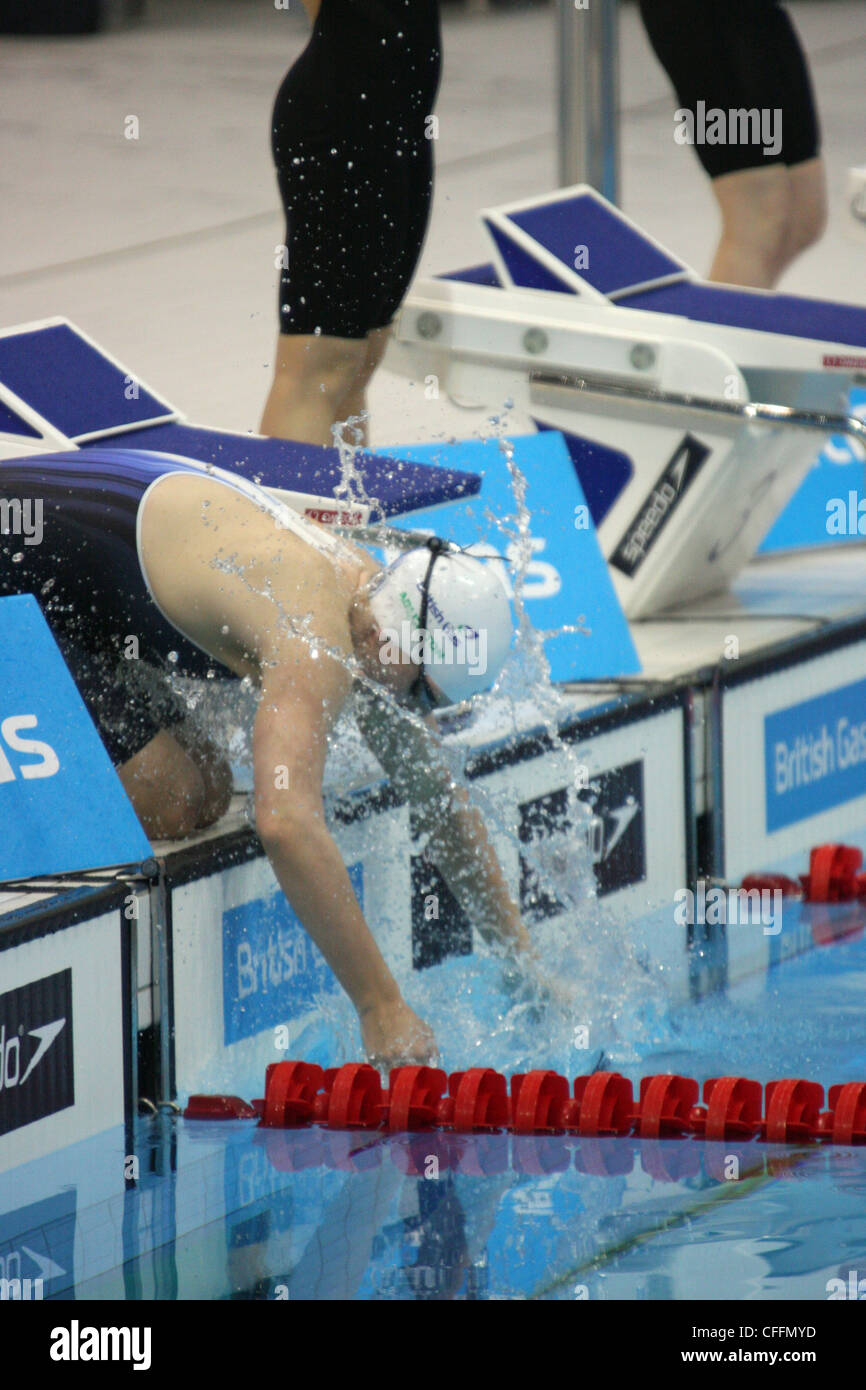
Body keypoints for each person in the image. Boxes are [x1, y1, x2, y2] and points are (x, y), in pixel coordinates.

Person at [0, 447, 533, 1069]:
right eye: (420, 692)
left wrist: (521, 959)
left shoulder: (370, 592)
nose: (414, 712)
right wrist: (380, 1007)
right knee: (169, 796)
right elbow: (284, 822)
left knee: (206, 789)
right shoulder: (315, 640)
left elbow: (434, 792)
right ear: (390, 637)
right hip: (15, 564)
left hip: (66, 580)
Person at [259, 0, 441, 446]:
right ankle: (281, 518)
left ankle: (342, 514)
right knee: (319, 365)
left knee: (358, 359)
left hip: (401, 117)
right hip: (342, 120)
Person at [639, 0, 827, 289]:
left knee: (804, 213)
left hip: (757, 15)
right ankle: (716, 331)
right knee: (759, 217)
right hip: (704, 16)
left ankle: (743, 322)